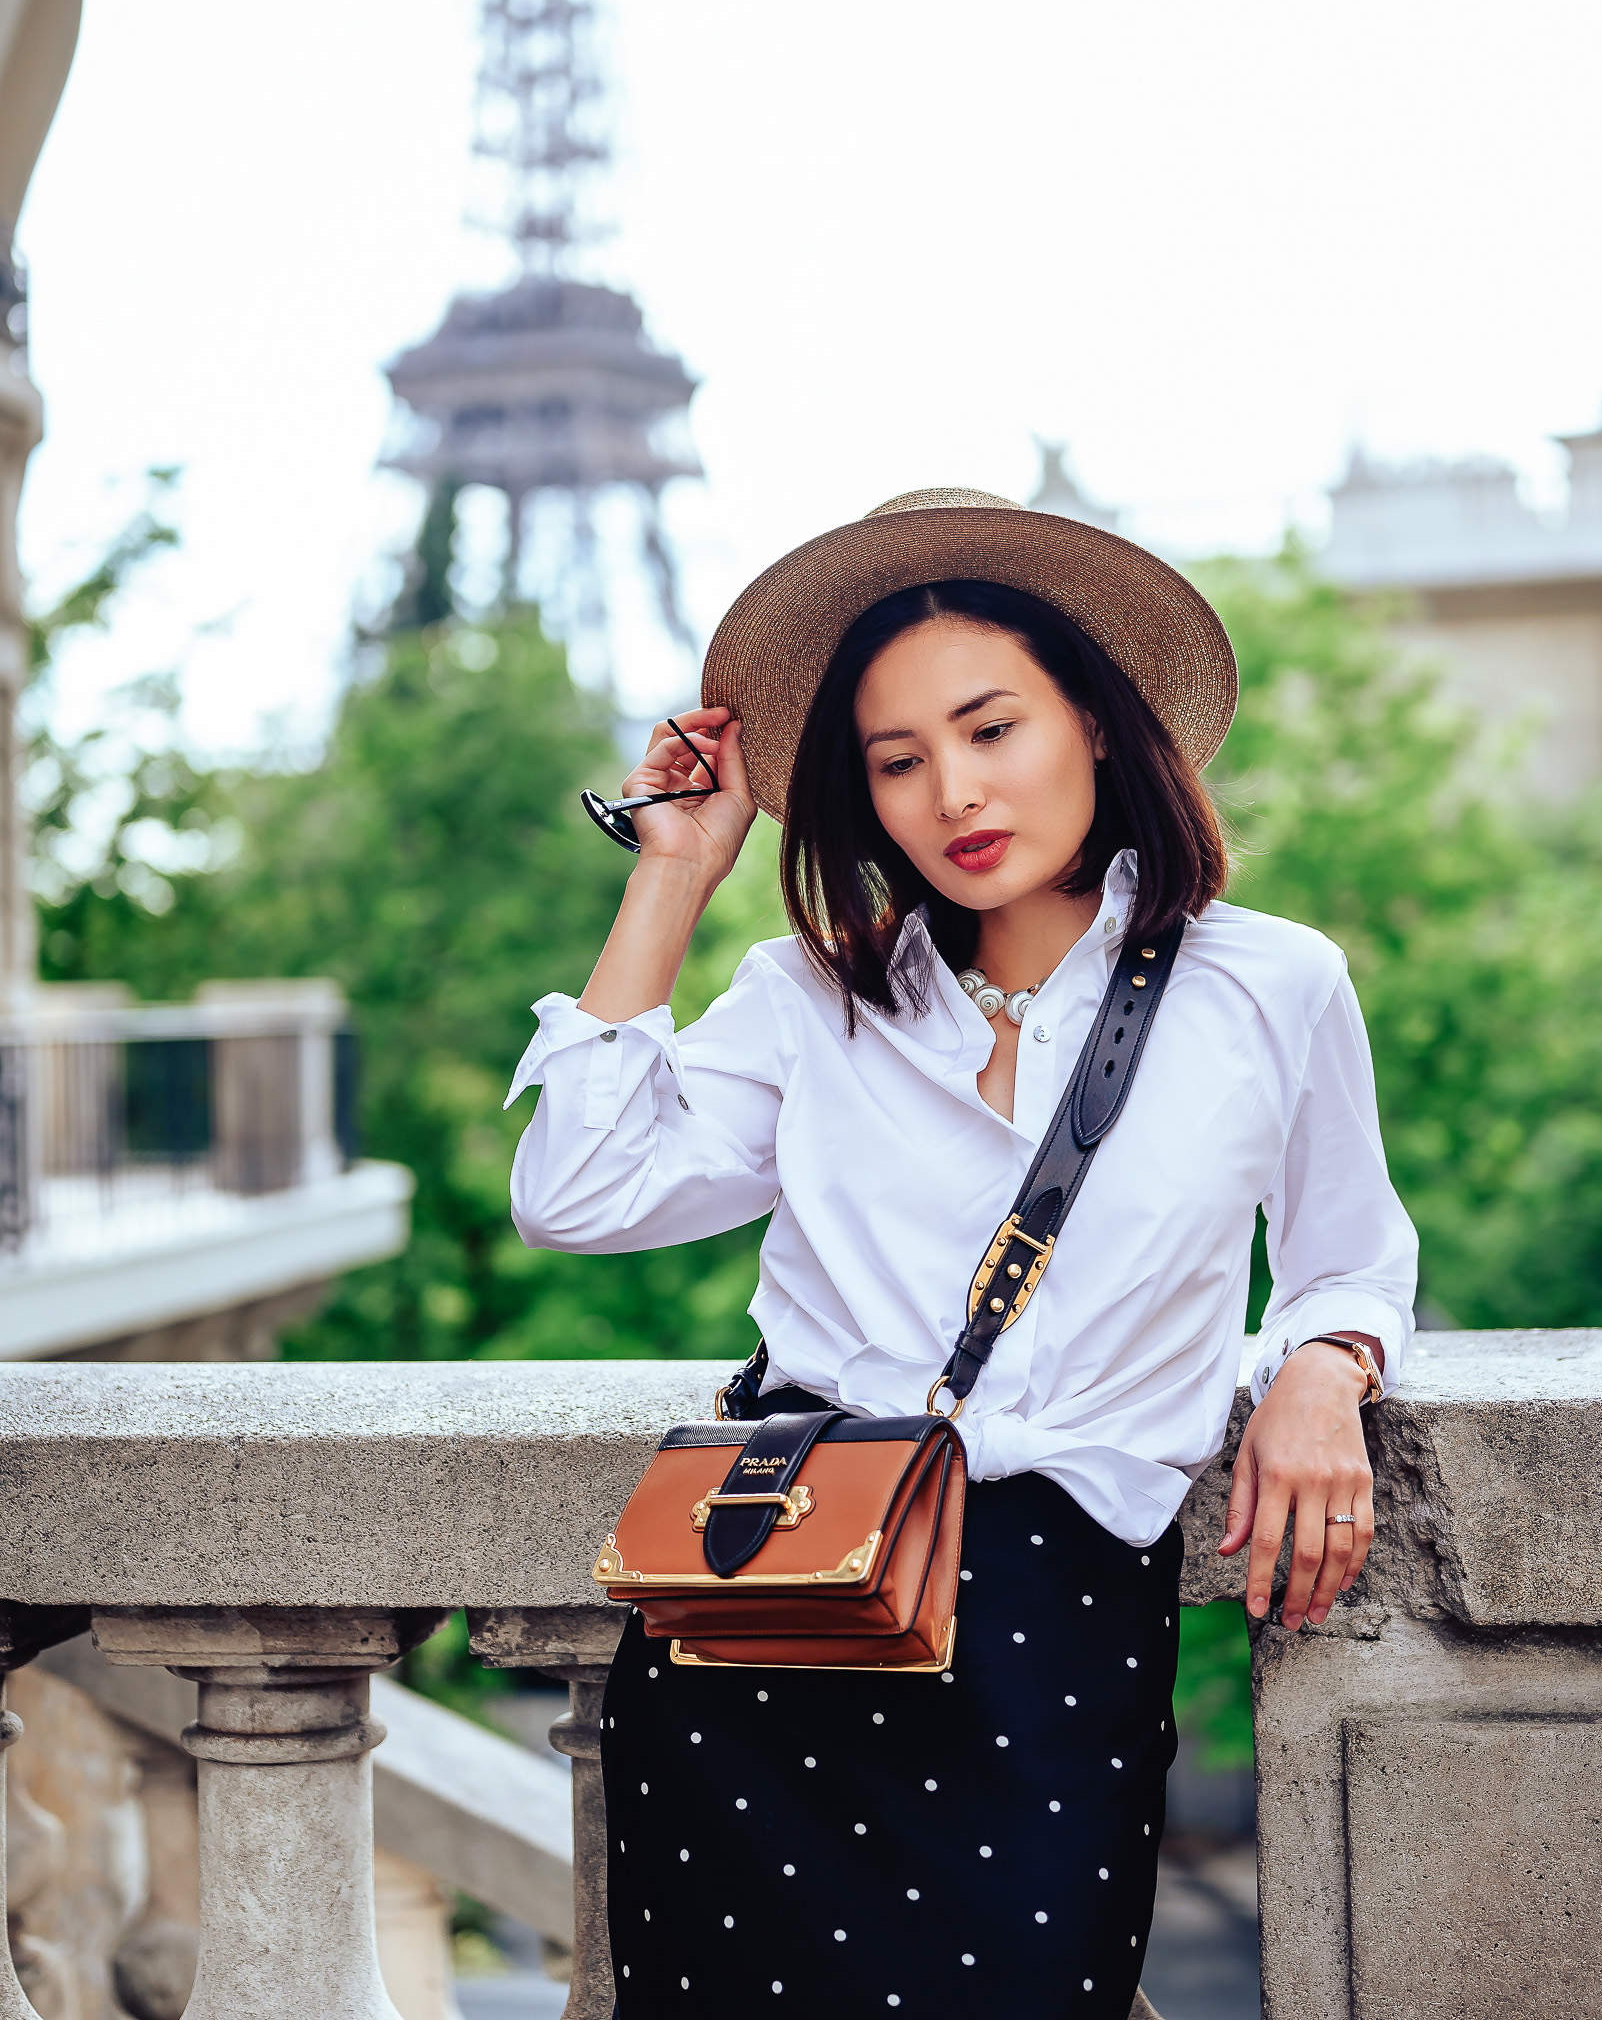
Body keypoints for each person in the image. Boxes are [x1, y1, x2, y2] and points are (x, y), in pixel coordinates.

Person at [507, 487, 1417, 2019]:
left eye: (993, 728)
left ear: (1099, 724)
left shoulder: (1272, 985)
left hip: (1057, 1644)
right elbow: (577, 1192)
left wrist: (1324, 1367)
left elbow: (1351, 1254)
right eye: (898, 759)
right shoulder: (811, 995)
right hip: (772, 1622)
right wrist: (672, 872)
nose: (955, 791)